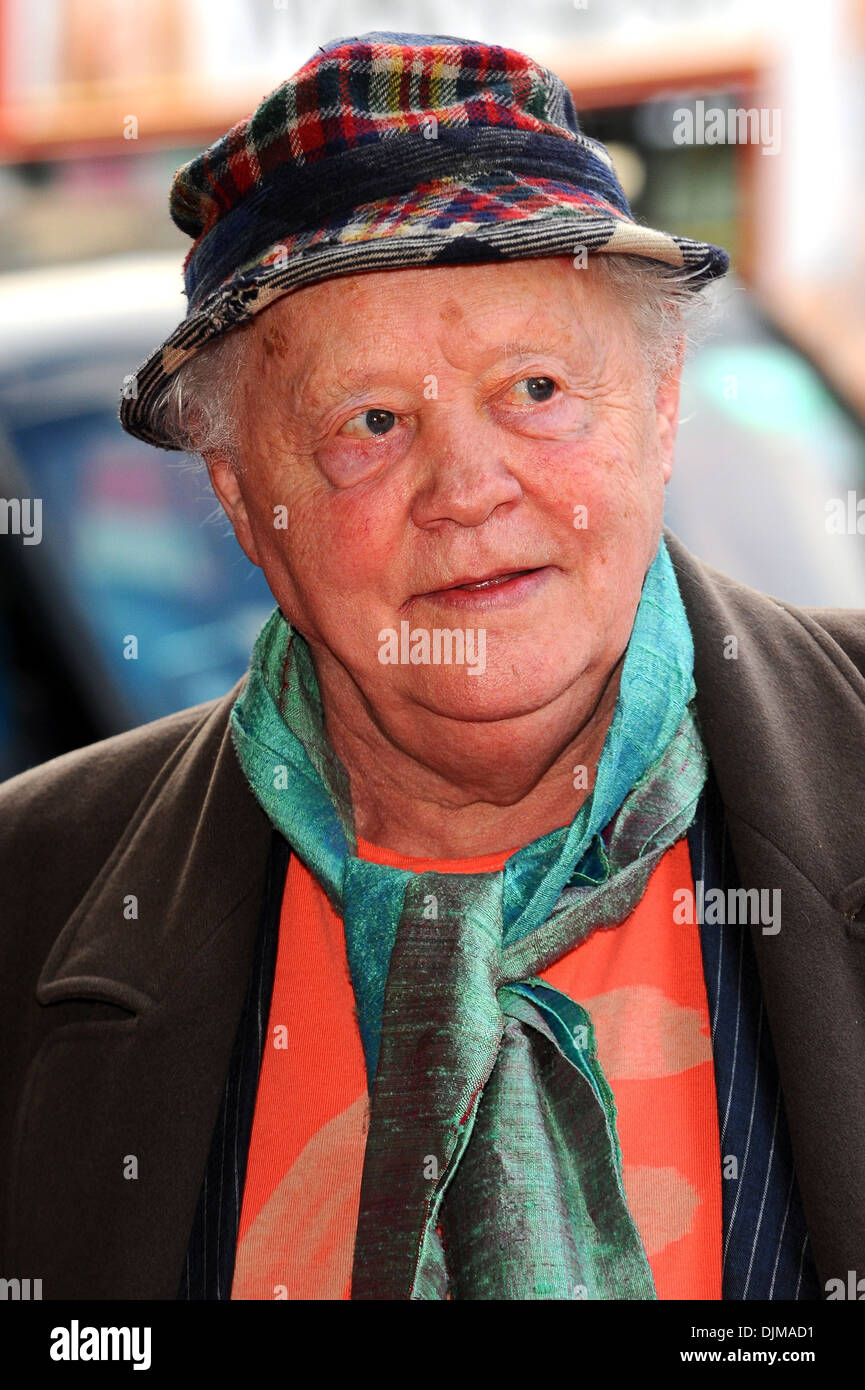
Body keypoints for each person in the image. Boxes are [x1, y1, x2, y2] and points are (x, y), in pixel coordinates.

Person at [2, 31, 864, 1303]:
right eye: (370, 423)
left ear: (661, 402)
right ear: (241, 495)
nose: (467, 490)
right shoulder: (30, 893)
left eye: (535, 386)